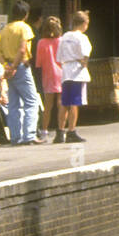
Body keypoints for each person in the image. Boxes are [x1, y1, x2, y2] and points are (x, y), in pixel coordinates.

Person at [0, 0, 42, 145]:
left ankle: (15, 136)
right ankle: (29, 134)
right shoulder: (24, 28)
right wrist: (15, 66)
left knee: (13, 103)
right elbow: (23, 49)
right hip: (21, 66)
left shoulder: (4, 30)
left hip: (8, 66)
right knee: (31, 101)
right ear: (26, 14)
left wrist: (7, 66)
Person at [56, 10, 91, 143]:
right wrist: (84, 64)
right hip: (77, 70)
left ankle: (60, 132)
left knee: (64, 103)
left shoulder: (64, 36)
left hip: (66, 70)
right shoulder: (82, 37)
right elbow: (85, 54)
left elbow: (58, 57)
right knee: (75, 102)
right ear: (83, 24)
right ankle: (71, 131)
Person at [35, 16, 63, 141]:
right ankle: (61, 130)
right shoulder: (61, 41)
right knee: (61, 104)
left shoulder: (41, 42)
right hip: (62, 74)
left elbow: (38, 63)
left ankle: (44, 131)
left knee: (48, 105)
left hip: (48, 75)